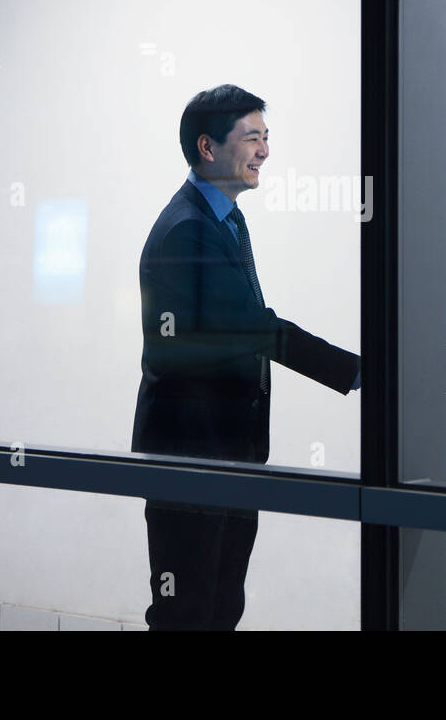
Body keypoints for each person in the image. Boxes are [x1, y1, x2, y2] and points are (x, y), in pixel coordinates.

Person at [132, 84, 360, 630]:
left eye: (266, 138)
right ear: (208, 148)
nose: (263, 152)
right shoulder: (188, 229)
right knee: (188, 610)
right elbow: (256, 328)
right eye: (252, 138)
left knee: (220, 604)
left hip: (226, 452)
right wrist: (352, 370)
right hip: (192, 454)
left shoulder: (222, 219)